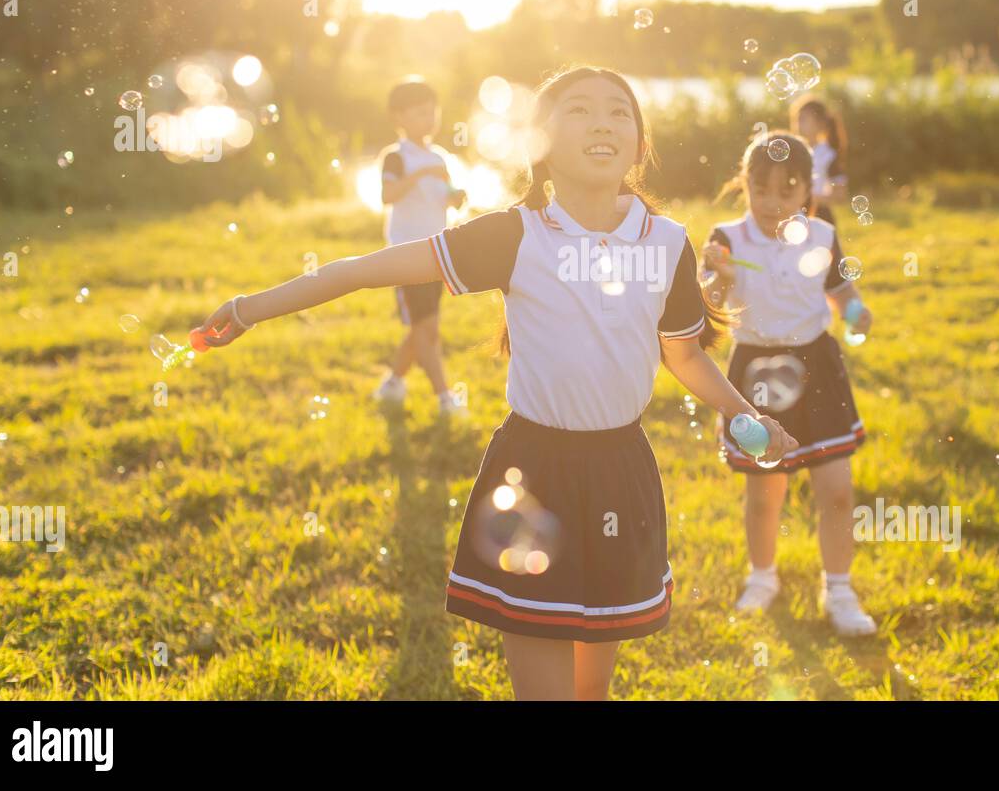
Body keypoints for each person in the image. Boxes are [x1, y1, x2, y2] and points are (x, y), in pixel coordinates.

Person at [194, 66, 797, 699]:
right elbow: (363, 269)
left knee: (593, 692)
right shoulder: (514, 234)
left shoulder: (667, 241)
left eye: (619, 112)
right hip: (532, 474)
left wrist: (740, 413)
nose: (601, 122)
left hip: (623, 471)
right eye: (579, 110)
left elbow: (685, 356)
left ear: (641, 145)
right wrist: (247, 308)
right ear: (539, 143)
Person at [701, 130, 877, 635]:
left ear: (807, 192)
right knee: (764, 492)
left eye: (787, 190)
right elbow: (708, 301)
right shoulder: (728, 238)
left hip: (817, 366)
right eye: (761, 190)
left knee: (837, 490)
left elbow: (842, 292)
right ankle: (762, 578)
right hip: (755, 368)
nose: (772, 203)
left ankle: (839, 590)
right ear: (744, 186)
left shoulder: (822, 235)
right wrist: (719, 276)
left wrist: (857, 313)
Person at [373, 77, 466, 415]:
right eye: (419, 113)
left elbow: (448, 200)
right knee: (426, 330)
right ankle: (445, 399)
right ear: (399, 118)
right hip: (404, 254)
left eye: (432, 112)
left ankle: (392, 384)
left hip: (436, 253)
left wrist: (457, 197)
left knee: (425, 328)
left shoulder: (440, 157)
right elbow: (387, 196)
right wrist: (421, 174)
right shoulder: (396, 158)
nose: (428, 119)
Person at [791, 95, 849, 226]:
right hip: (793, 214)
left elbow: (840, 195)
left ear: (819, 124)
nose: (797, 124)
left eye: (803, 119)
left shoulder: (828, 155)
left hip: (820, 216)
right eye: (796, 119)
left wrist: (809, 198)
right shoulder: (793, 151)